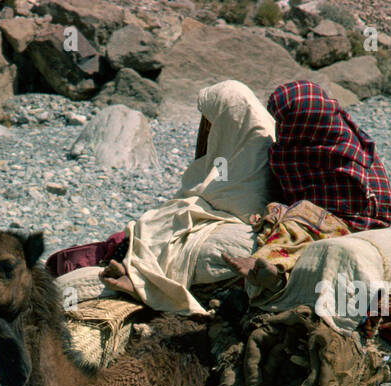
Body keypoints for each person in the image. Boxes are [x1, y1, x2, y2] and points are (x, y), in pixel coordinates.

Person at [101, 79, 276, 313]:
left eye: (209, 120)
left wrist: (192, 205)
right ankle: (137, 273)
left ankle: (145, 283)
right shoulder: (244, 132)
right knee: (152, 225)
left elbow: (232, 203)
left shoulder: (257, 145)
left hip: (239, 226)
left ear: (223, 119)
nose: (205, 127)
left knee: (168, 232)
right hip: (220, 218)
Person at [265, 79, 391, 231]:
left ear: (293, 121)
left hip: (350, 223)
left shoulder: (288, 156)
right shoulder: (351, 140)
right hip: (378, 219)